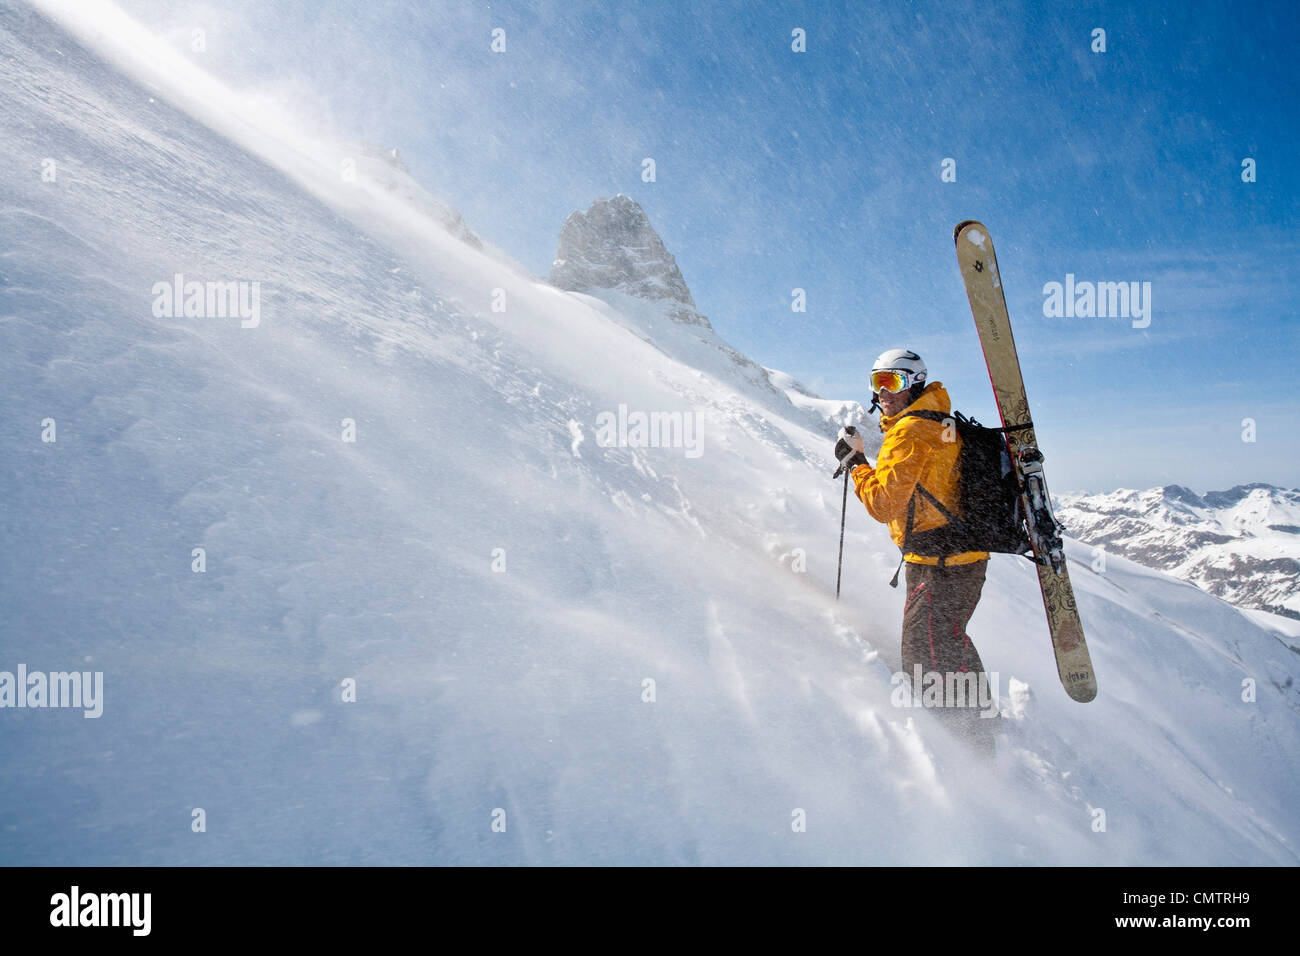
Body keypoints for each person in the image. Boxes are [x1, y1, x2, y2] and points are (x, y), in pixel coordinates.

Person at [835, 348, 996, 754]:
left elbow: (884, 504)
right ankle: (982, 722)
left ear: (915, 383)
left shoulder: (909, 431)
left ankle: (964, 742)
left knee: (923, 655)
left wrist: (856, 463)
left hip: (940, 563)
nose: (885, 392)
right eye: (878, 382)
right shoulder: (939, 419)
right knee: (947, 638)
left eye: (895, 382)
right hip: (959, 556)